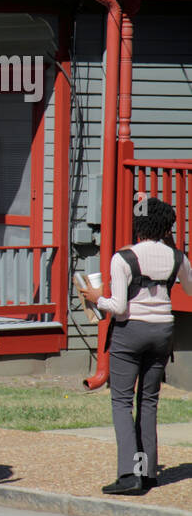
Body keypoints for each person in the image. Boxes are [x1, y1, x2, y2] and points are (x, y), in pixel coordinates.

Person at [81, 197, 192, 495]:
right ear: (167, 227)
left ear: (138, 225)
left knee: (121, 401)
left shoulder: (123, 258)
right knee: (148, 402)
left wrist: (95, 299)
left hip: (130, 333)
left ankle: (129, 475)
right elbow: (190, 289)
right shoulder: (177, 257)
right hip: (163, 332)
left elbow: (117, 307)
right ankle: (148, 473)